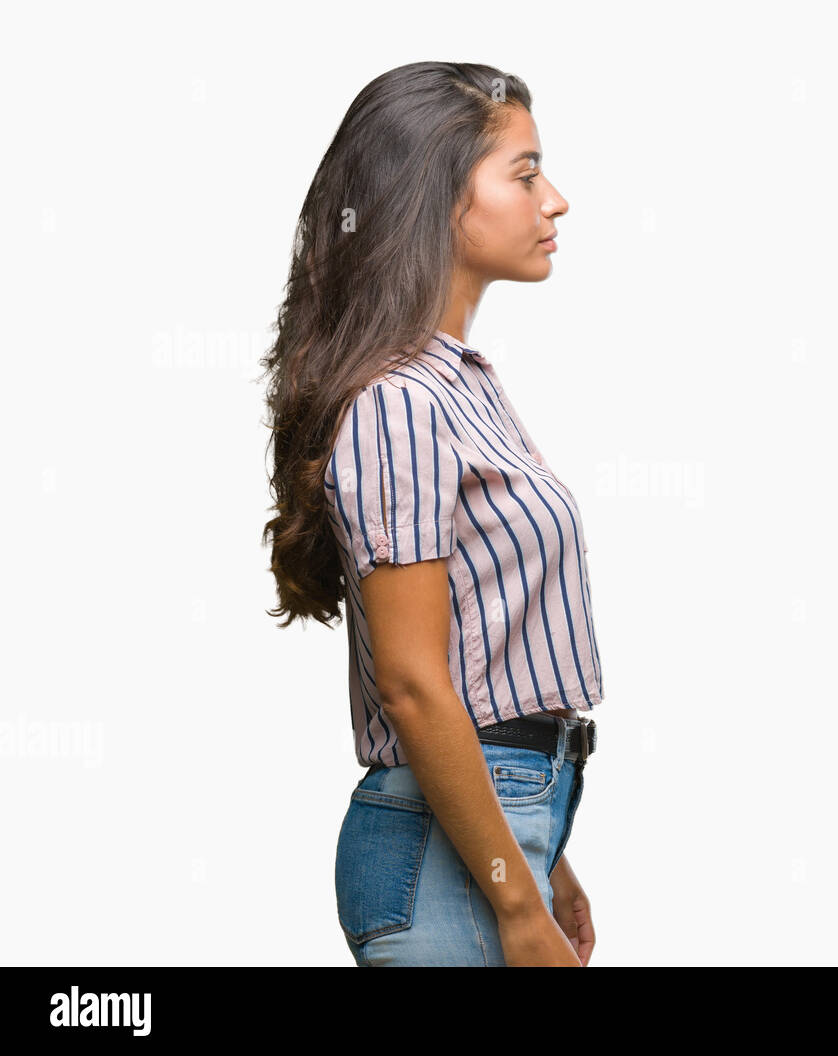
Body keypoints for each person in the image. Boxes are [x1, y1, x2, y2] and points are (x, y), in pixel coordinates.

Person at [259, 61, 603, 966]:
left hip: (502, 831)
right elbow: (414, 685)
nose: (555, 200)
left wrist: (549, 865)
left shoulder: (460, 386)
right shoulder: (400, 402)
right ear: (439, 200)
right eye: (524, 174)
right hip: (444, 863)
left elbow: (488, 657)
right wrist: (518, 908)